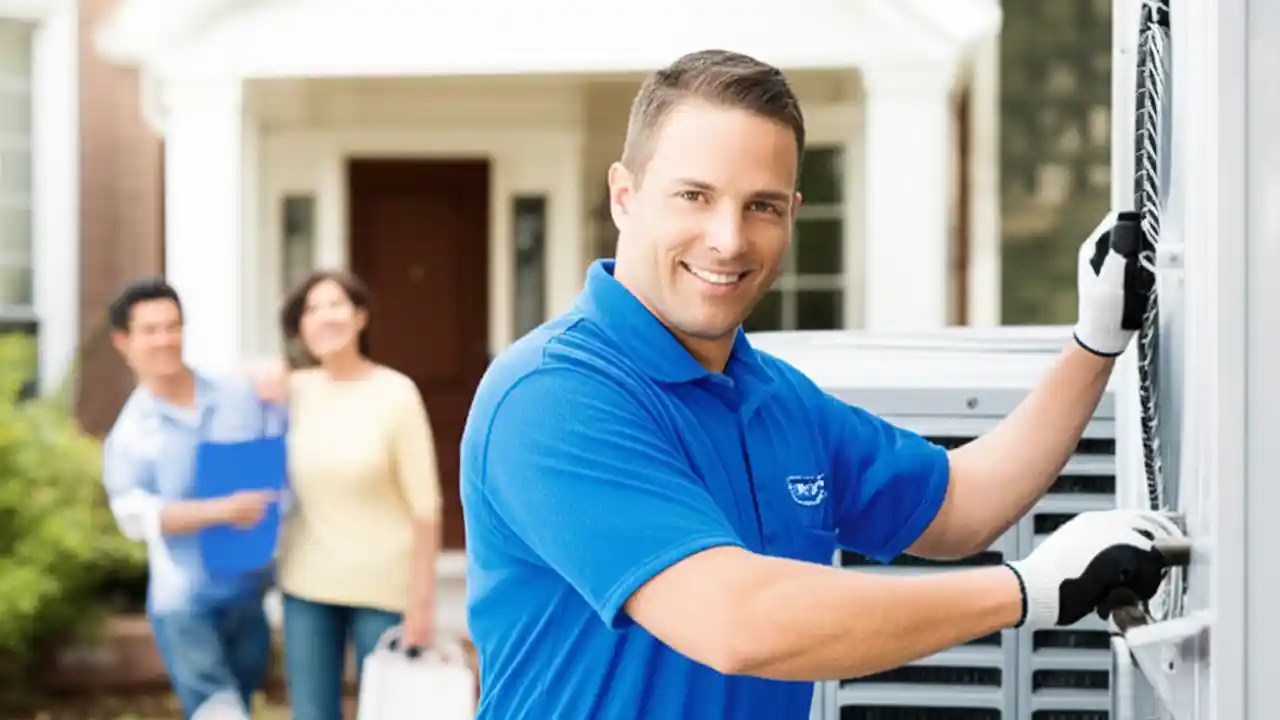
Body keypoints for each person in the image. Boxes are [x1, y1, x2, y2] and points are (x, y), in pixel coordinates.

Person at [460, 49, 1173, 719]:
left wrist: (1096, 341)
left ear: (792, 215)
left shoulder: (776, 399)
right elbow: (735, 620)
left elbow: (959, 505)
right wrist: (1026, 591)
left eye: (761, 206)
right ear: (625, 196)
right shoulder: (552, 397)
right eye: (694, 196)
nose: (729, 239)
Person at [266, 270, 443, 720]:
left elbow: (427, 508)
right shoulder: (293, 390)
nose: (324, 316)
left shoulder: (395, 393)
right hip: (306, 584)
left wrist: (421, 604)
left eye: (336, 304)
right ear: (300, 328)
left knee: (389, 712)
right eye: (311, 309)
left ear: (360, 317)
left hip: (384, 590)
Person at [102, 278, 280, 719]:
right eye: (151, 330)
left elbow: (278, 447)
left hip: (248, 587)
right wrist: (222, 511)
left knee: (239, 704)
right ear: (123, 342)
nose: (165, 339)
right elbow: (134, 518)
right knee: (218, 711)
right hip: (184, 600)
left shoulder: (238, 396)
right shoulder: (130, 433)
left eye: (173, 326)